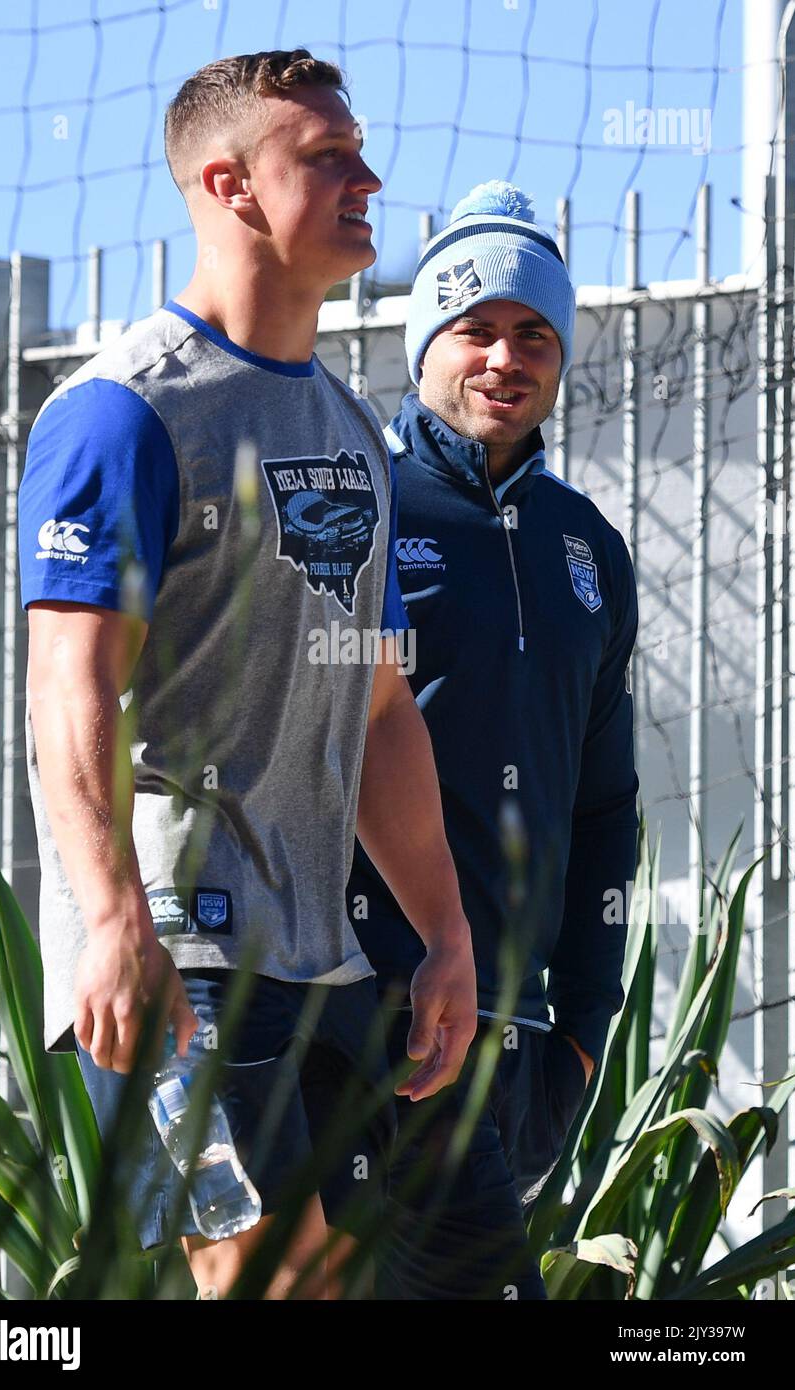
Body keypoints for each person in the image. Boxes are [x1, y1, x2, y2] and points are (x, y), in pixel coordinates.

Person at [17, 49, 476, 1301]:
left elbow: (377, 701)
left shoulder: (346, 432)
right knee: (267, 1275)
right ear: (228, 183)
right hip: (172, 947)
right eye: (325, 157)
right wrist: (109, 915)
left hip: (313, 954)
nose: (367, 177)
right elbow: (68, 690)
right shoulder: (122, 412)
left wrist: (442, 931)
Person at [348, 180, 640, 1300]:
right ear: (425, 341)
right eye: (472, 329)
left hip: (522, 1050)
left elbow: (603, 809)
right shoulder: (359, 503)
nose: (501, 358)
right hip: (374, 1022)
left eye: (532, 335)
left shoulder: (588, 551)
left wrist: (581, 1031)